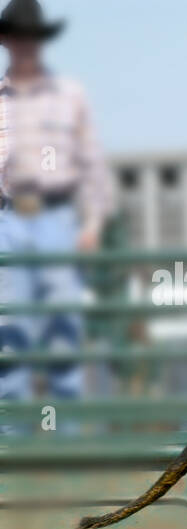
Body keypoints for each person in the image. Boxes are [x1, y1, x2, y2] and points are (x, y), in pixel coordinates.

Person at [0, 0, 111, 417]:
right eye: (18, 35)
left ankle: (66, 450)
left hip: (59, 217)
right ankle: (15, 454)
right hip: (10, 218)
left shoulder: (69, 96)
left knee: (64, 335)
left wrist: (93, 225)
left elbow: (92, 163)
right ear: (6, 40)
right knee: (11, 336)